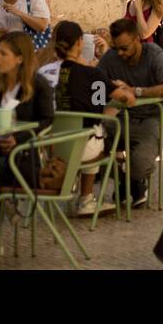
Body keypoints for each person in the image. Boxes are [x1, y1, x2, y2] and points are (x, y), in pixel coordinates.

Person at [97, 17, 163, 207]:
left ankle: (131, 181)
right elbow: (97, 86)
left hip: (154, 118)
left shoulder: (155, 55)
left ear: (137, 40)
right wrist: (106, 99)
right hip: (121, 118)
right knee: (89, 142)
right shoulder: (111, 57)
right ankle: (130, 183)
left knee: (139, 165)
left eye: (125, 48)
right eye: (117, 48)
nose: (121, 53)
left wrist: (135, 91)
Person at [49, 22, 115, 216]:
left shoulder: (44, 72)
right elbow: (113, 99)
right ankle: (86, 198)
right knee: (99, 126)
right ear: (80, 43)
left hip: (51, 147)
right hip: (82, 148)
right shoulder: (93, 74)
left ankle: (70, 186)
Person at [0, 32, 54, 187]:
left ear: (20, 59)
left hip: (22, 150)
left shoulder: (38, 85)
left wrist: (18, 138)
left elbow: (47, 119)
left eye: (3, 53)